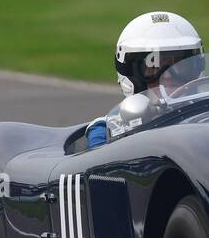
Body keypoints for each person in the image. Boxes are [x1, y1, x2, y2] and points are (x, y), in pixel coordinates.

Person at [87, 11, 203, 149]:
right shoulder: (108, 129)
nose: (167, 76)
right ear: (131, 72)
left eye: (179, 65)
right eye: (154, 65)